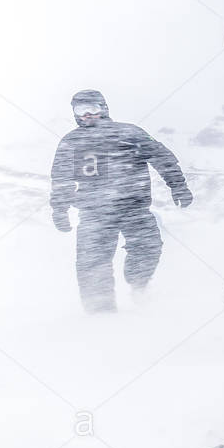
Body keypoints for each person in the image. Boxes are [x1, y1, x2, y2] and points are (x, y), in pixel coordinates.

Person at [49, 89, 192, 312]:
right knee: (92, 263)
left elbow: (162, 157)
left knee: (148, 248)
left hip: (134, 207)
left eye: (93, 109)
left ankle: (138, 284)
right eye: (81, 110)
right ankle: (100, 313)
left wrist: (178, 186)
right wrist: (59, 208)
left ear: (103, 109)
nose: (87, 114)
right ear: (74, 113)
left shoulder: (129, 133)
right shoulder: (71, 142)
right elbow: (61, 178)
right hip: (94, 213)